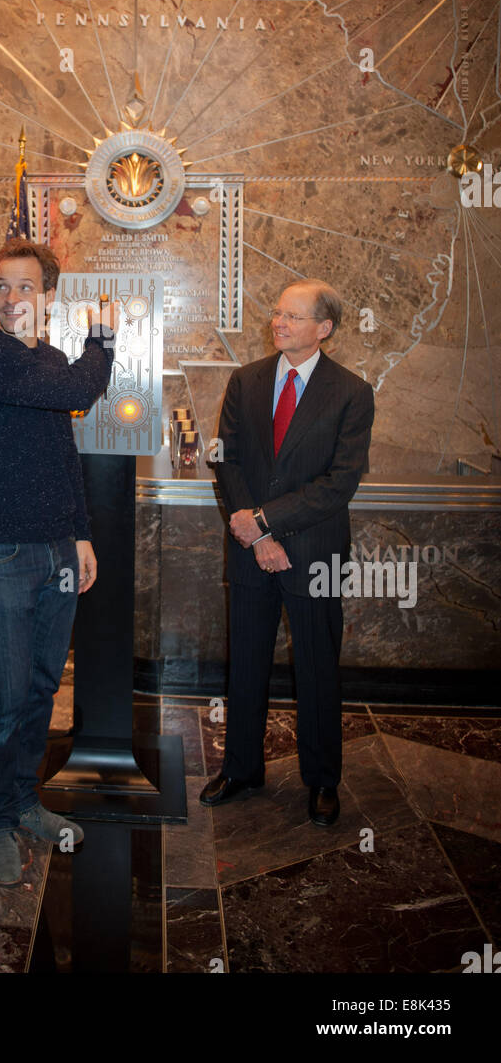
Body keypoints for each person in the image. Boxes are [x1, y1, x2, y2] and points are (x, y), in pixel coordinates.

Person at [0, 239, 118, 884]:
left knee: (42, 685)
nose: (12, 297)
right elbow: (86, 384)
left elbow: (61, 461)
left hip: (55, 547)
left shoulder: (48, 360)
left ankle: (24, 800)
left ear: (48, 295)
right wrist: (103, 337)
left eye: (26, 287)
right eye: (2, 285)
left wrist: (79, 535)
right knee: (2, 693)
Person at [201, 279, 374, 827]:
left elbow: (339, 483)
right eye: (278, 313)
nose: (279, 323)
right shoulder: (245, 380)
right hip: (253, 552)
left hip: (315, 552)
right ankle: (241, 768)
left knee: (318, 668)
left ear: (324, 328)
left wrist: (266, 521)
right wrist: (257, 536)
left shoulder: (351, 392)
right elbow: (226, 459)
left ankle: (322, 780)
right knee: (246, 663)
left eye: (294, 317)